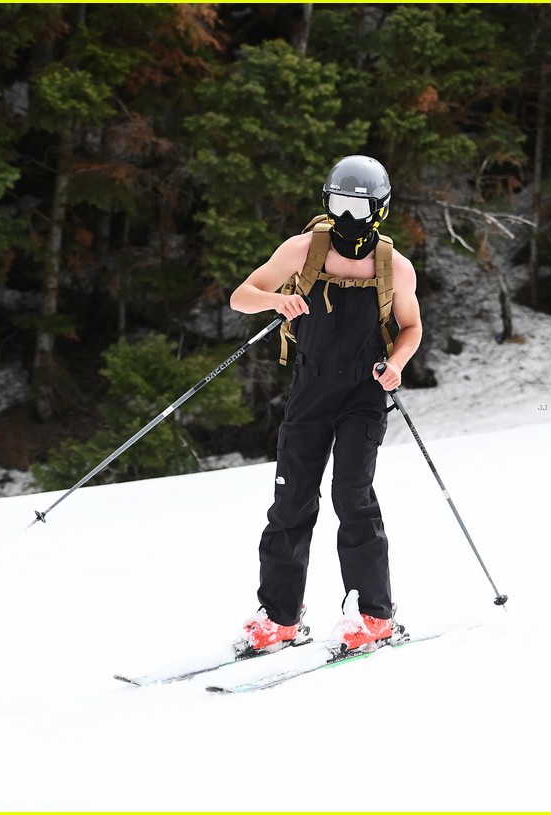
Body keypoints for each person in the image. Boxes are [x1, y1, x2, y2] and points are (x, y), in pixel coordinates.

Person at [228, 155, 421, 656]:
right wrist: (276, 302)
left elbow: (412, 327)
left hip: (364, 392)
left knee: (352, 497)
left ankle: (373, 615)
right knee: (291, 501)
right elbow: (242, 296)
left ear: (379, 210)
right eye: (339, 204)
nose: (348, 219)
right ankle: (278, 618)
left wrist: (397, 363)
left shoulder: (393, 266)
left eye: (359, 208)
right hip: (310, 389)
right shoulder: (303, 250)